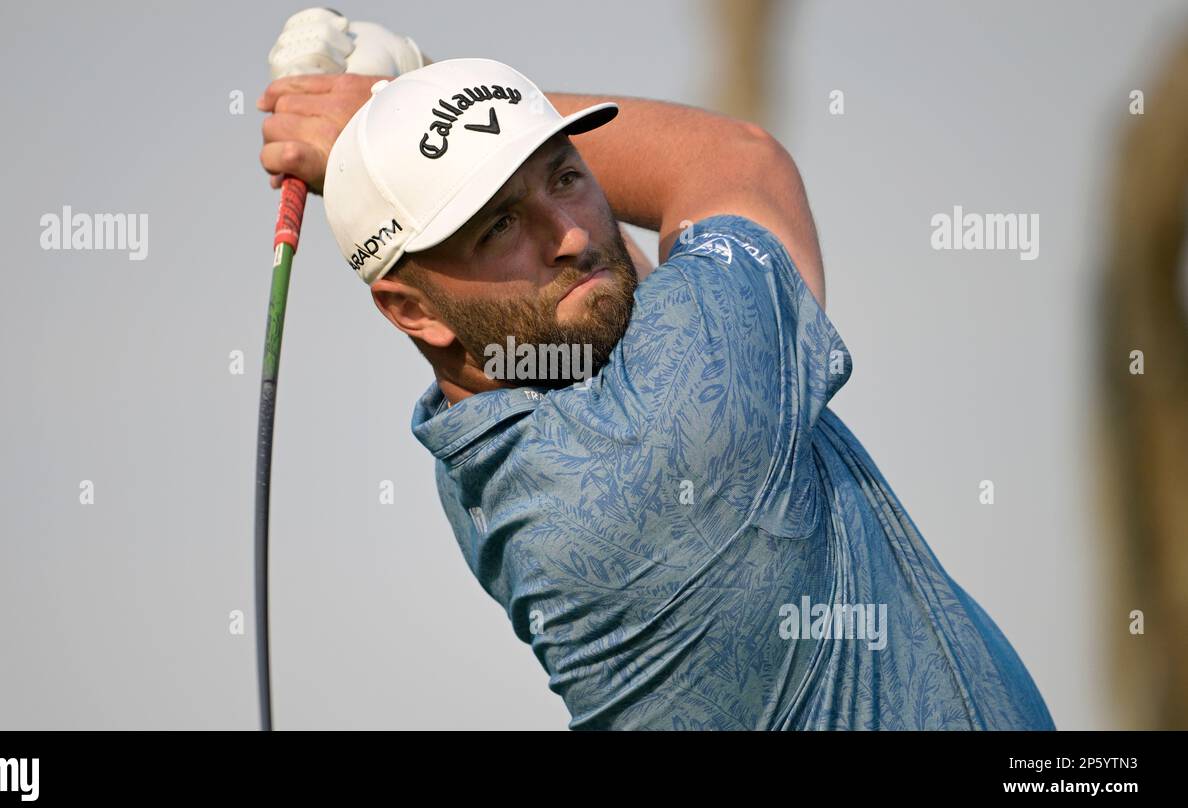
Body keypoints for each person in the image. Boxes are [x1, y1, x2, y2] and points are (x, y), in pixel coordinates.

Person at [257, 55, 1056, 730]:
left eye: (566, 175)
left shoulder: (490, 438)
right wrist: (392, 104)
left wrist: (410, 124)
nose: (568, 233)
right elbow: (737, 160)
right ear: (410, 308)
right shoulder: (666, 438)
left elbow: (605, 293)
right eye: (497, 225)